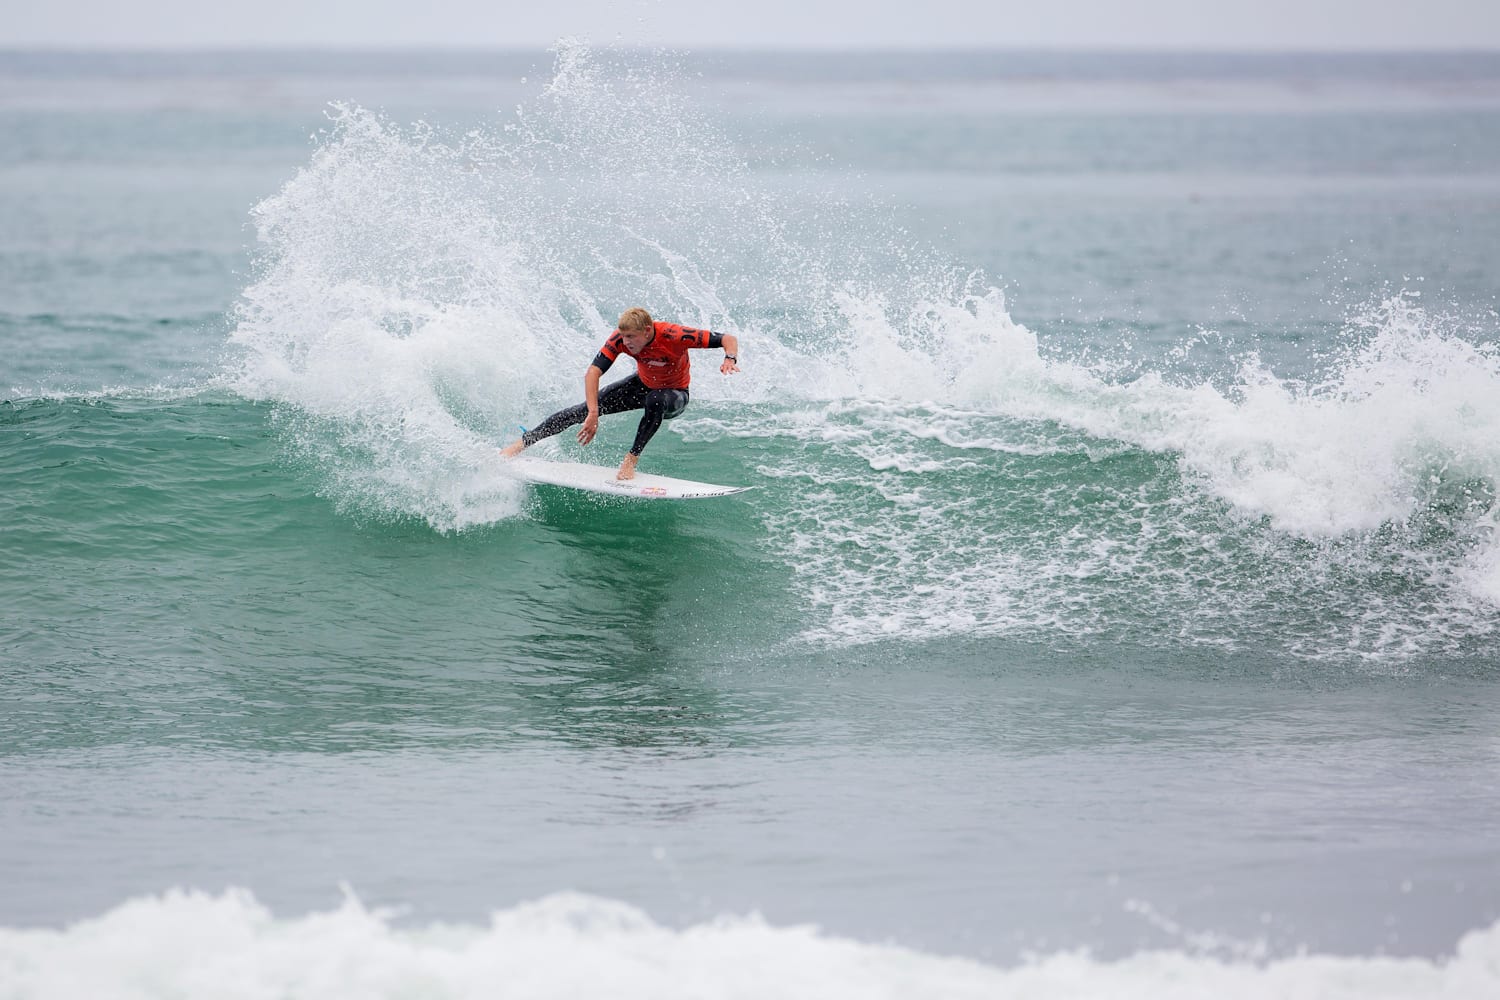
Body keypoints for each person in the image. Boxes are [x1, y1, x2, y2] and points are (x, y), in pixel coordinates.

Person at [500, 308, 741, 480]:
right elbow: (593, 372)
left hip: (674, 394)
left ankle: (631, 460)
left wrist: (729, 358)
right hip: (642, 384)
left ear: (647, 331)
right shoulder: (620, 339)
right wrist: (593, 413)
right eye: (623, 337)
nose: (625, 343)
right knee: (581, 410)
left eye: (631, 337)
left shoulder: (674, 335)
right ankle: (520, 445)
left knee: (655, 399)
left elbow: (727, 338)